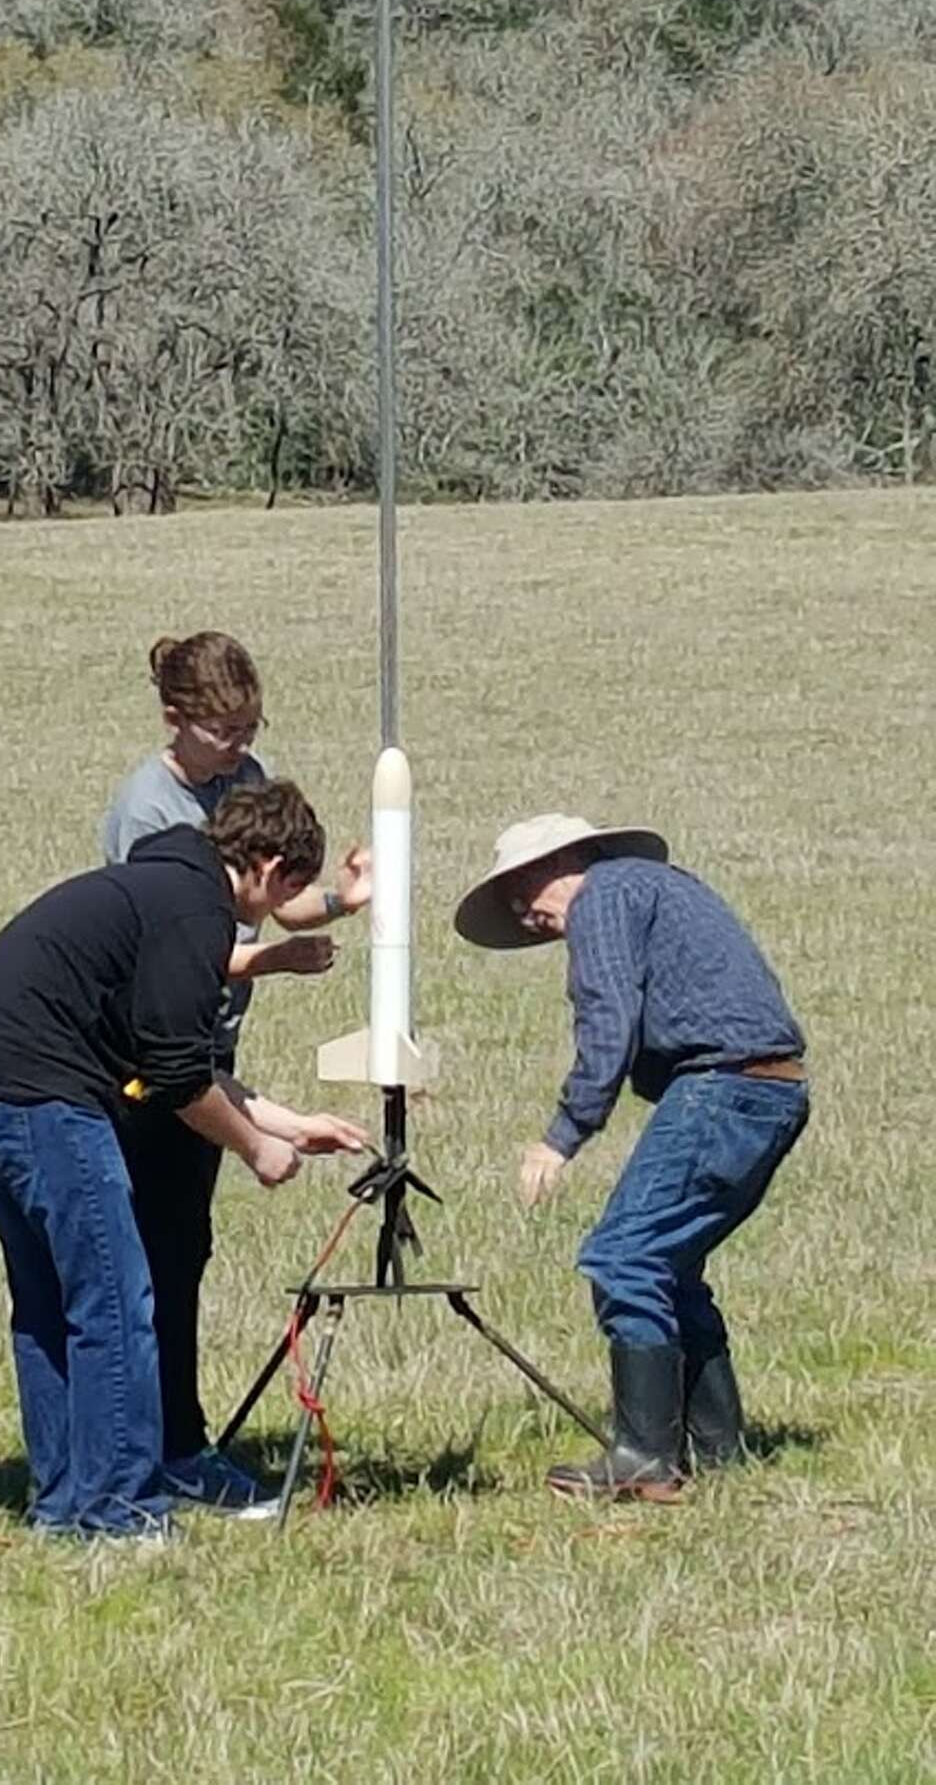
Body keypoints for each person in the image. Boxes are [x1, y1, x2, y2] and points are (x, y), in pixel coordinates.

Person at [0, 780, 342, 1545]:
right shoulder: (196, 910)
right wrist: (257, 1149)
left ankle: (63, 1503)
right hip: (44, 1095)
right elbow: (178, 1077)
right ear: (268, 865)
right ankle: (121, 1508)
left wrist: (292, 1123)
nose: (279, 907)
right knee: (117, 1300)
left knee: (55, 1302)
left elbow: (170, 1057)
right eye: (289, 886)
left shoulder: (159, 886)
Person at [454, 813, 809, 1503]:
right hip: (770, 1090)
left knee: (625, 1257)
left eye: (521, 897)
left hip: (724, 1089)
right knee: (669, 1266)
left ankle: (644, 1454)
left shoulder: (605, 896)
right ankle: (719, 1452)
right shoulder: (651, 888)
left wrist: (563, 1136)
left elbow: (607, 1016)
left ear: (559, 863)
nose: (525, 918)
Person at [101, 633, 369, 1515]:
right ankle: (160, 1444)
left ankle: (174, 1436)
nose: (240, 746)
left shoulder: (245, 776)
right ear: (175, 722)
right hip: (154, 1062)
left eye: (251, 727)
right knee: (154, 1258)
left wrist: (338, 900)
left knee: (187, 1250)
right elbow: (175, 949)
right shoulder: (148, 811)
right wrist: (277, 961)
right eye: (224, 732)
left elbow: (266, 890)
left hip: (209, 1052)